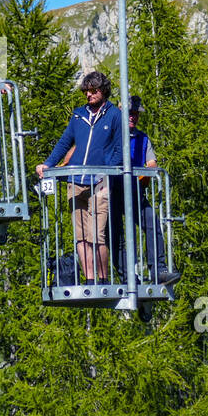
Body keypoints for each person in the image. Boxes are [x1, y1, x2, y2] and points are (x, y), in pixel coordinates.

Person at [35, 72, 123, 283]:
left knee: (97, 234)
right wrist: (48, 164)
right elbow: (65, 142)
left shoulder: (114, 116)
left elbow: (120, 149)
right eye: (86, 91)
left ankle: (103, 279)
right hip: (75, 181)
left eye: (93, 91)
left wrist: (107, 174)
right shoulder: (78, 115)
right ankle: (90, 279)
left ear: (103, 91)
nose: (89, 95)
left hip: (100, 182)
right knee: (81, 235)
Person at [116, 95, 179, 286]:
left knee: (151, 221)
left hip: (134, 192)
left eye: (136, 114)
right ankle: (127, 276)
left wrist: (138, 179)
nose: (133, 117)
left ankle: (158, 270)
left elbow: (152, 164)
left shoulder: (142, 138)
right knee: (116, 233)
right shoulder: (112, 135)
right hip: (111, 191)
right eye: (129, 113)